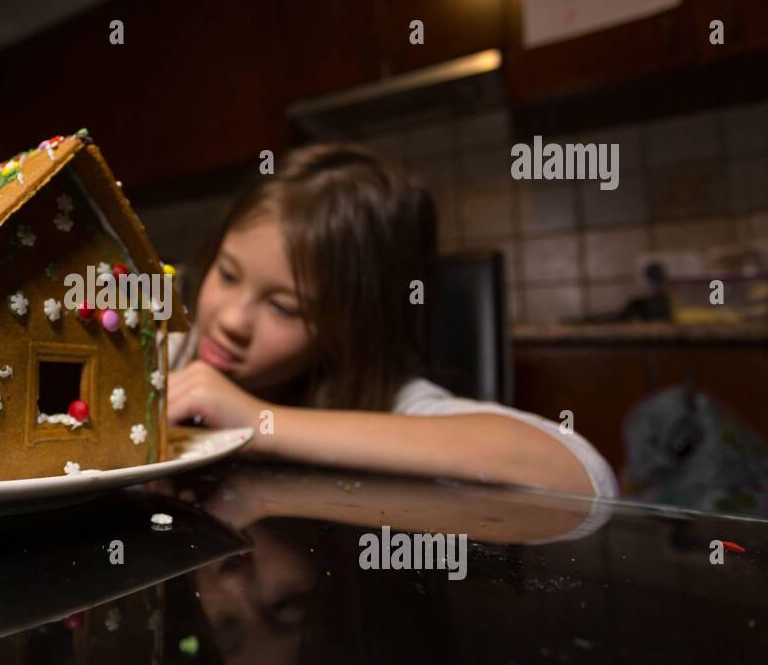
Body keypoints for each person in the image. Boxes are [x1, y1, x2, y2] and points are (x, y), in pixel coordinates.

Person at [165, 143, 618, 497]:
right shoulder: (168, 354)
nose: (230, 320)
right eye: (227, 274)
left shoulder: (385, 401)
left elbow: (584, 474)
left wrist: (259, 422)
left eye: (283, 307)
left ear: (351, 328)